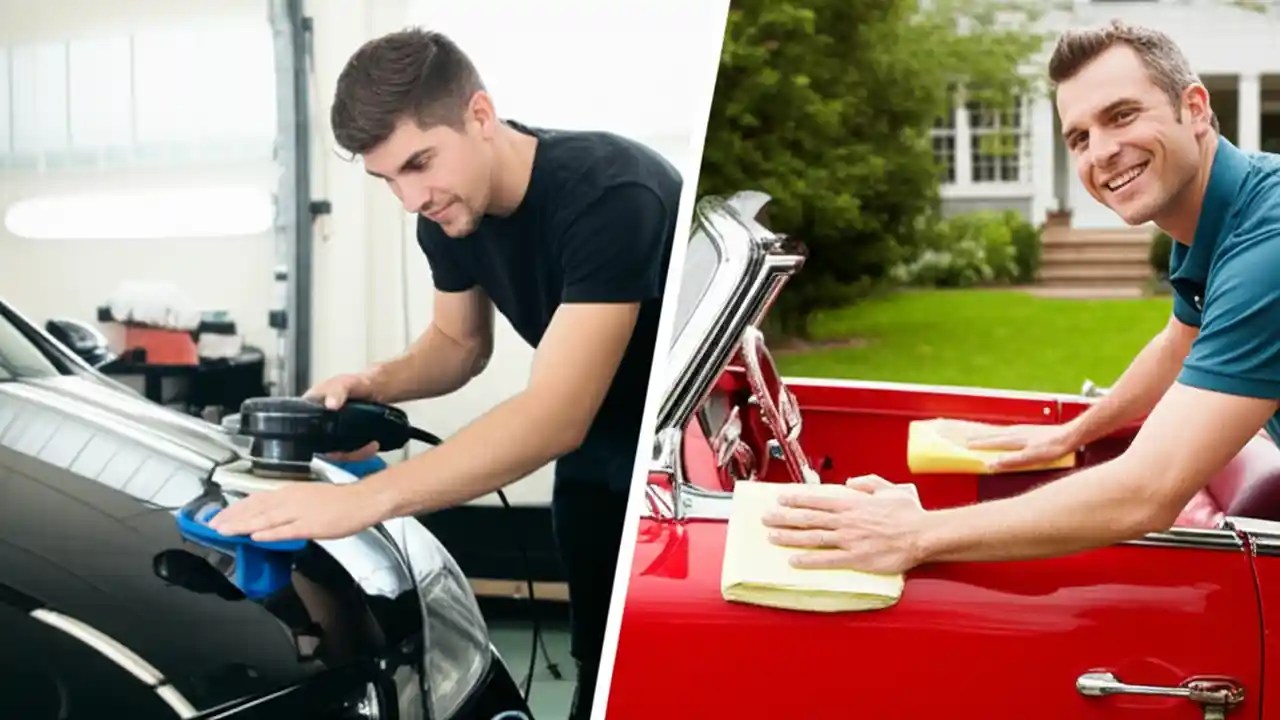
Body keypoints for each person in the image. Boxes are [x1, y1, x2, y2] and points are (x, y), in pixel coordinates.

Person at [209, 28, 681, 718]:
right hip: (589, 471)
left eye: (419, 163)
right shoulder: (448, 214)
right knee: (595, 668)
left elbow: (556, 412)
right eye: (388, 179)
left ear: (480, 117)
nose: (410, 199)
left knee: (648, 676)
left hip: (665, 467)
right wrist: (374, 384)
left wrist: (362, 502)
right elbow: (459, 344)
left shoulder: (612, 194)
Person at [760, 20, 1280, 574]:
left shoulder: (1265, 248)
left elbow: (1147, 492)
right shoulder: (1216, 219)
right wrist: (1075, 431)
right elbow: (1179, 342)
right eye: (1079, 138)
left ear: (1195, 108)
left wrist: (917, 533)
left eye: (1122, 115)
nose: (1101, 152)